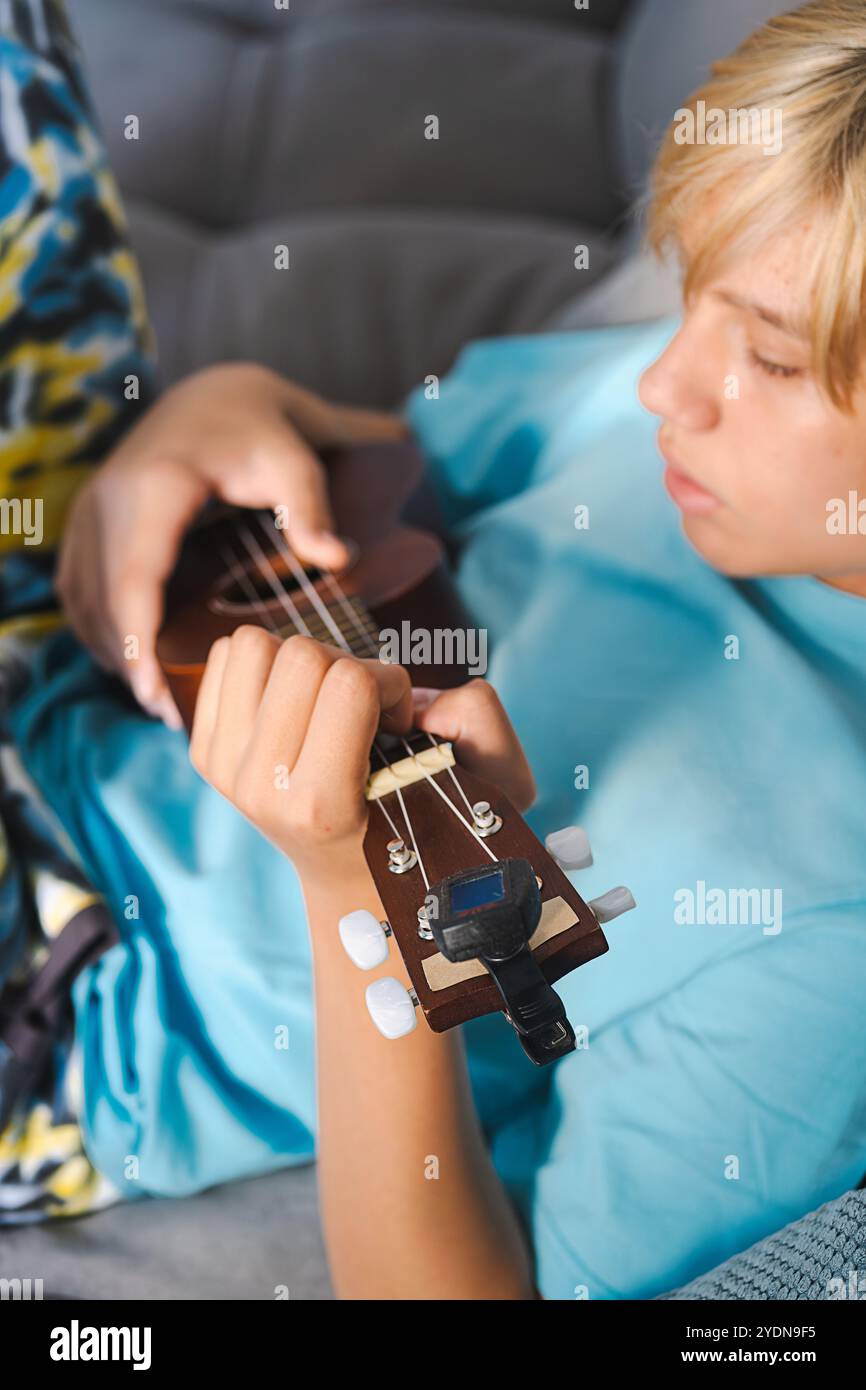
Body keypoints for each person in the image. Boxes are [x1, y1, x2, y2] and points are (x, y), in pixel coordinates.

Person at [5, 0, 866, 1296]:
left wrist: (353, 892)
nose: (659, 386)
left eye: (767, 356)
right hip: (81, 658)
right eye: (687, 293)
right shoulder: (691, 440)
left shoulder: (828, 931)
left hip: (72, 998)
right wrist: (218, 406)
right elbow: (383, 455)